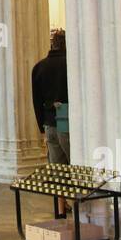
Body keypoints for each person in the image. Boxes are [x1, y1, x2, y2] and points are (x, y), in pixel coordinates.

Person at [31, 29, 70, 164]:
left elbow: (36, 101)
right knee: (78, 167)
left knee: (57, 170)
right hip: (68, 122)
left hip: (49, 123)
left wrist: (41, 126)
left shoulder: (39, 67)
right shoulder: (71, 65)